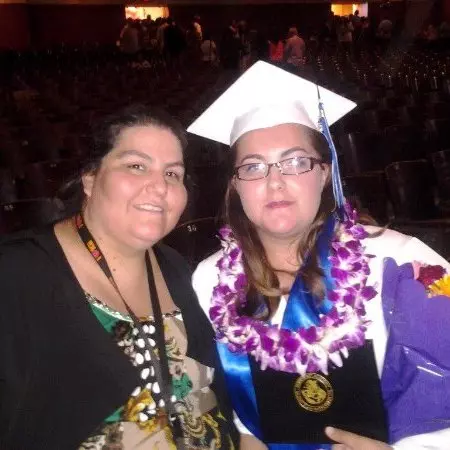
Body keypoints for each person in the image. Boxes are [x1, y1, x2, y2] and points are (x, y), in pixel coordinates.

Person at [187, 61, 450, 449]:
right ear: (235, 186)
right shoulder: (210, 281)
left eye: (296, 162)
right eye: (254, 167)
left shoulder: (402, 264)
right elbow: (243, 426)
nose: (274, 181)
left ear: (325, 173)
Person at [0, 104, 237, 449]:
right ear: (90, 178)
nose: (159, 186)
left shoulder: (174, 266)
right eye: (136, 166)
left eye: (173, 173)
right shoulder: (17, 275)